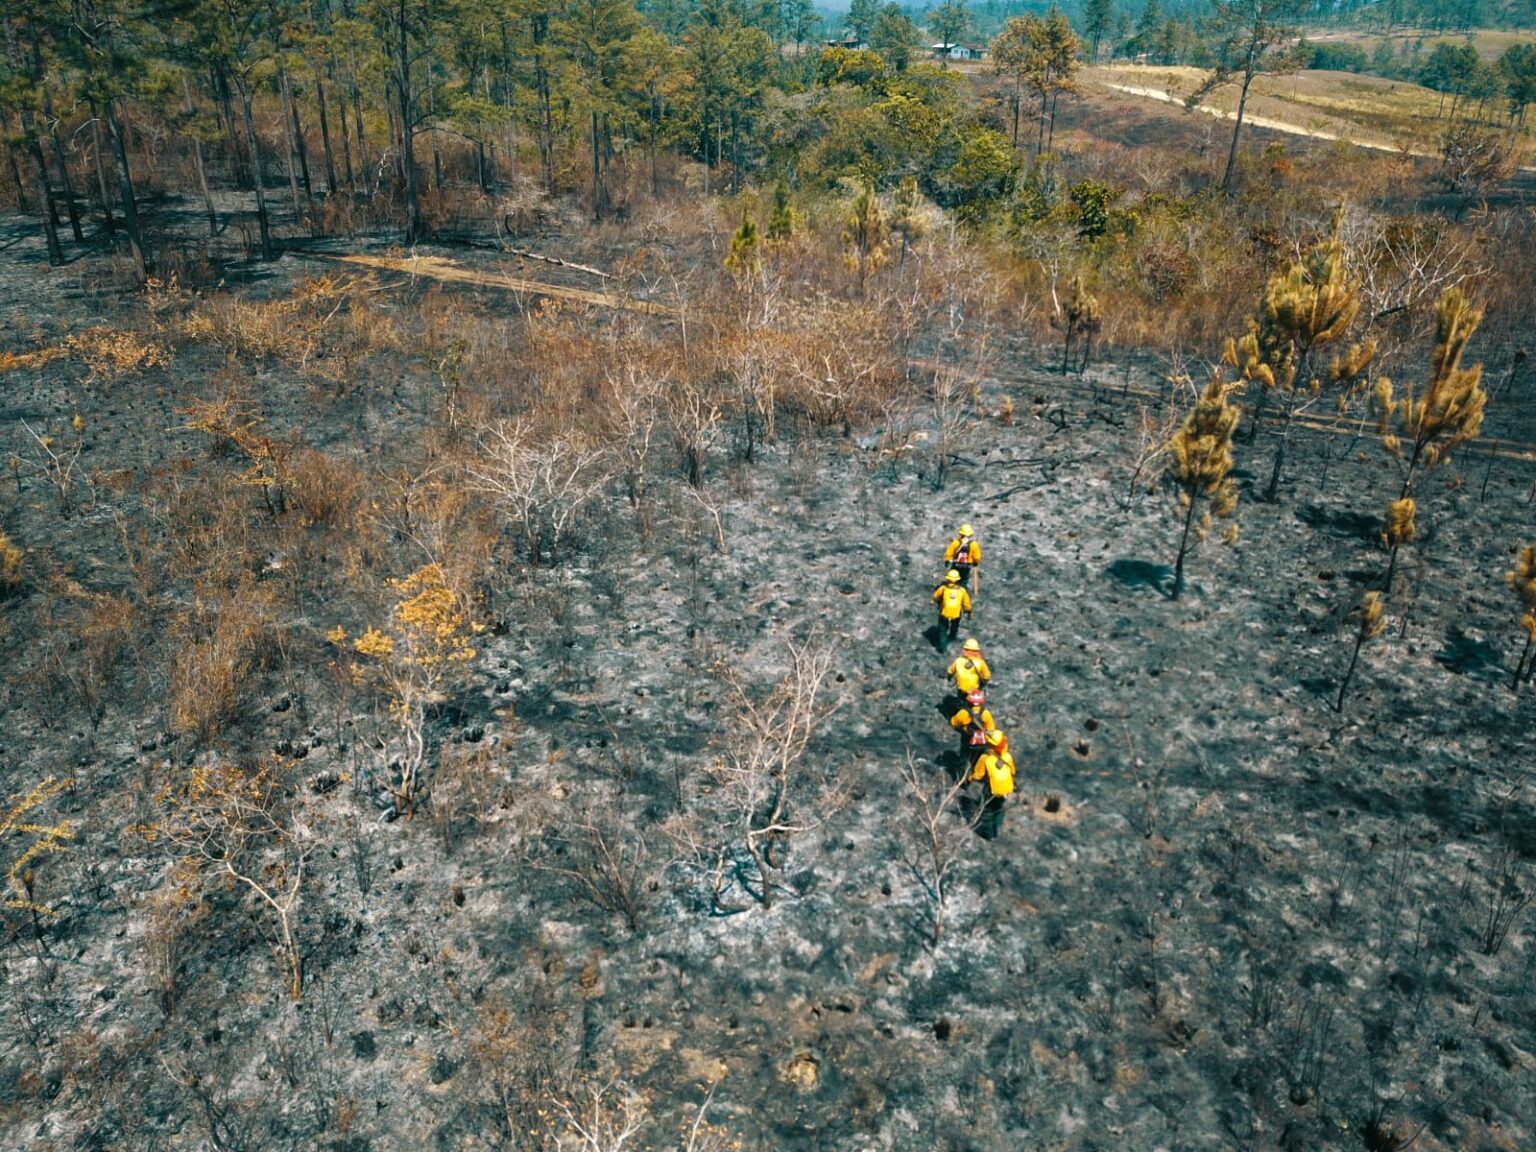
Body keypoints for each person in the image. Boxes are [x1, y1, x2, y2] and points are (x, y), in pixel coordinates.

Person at [971, 729, 1015, 839]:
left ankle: (989, 835)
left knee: (986, 810)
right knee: (999, 807)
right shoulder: (1008, 757)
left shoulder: (985, 758)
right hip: (1006, 788)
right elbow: (1013, 771)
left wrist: (969, 778)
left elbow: (978, 775)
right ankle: (997, 825)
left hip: (991, 789)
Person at [949, 689, 996, 768]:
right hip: (982, 743)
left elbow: (953, 723)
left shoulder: (963, 713)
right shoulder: (986, 713)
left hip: (968, 741)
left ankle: (964, 771)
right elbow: (991, 729)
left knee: (965, 758)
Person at [931, 569, 972, 653]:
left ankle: (943, 647)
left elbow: (935, 596)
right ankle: (952, 636)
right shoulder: (962, 591)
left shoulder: (943, 588)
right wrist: (968, 611)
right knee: (955, 625)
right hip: (956, 613)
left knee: (943, 629)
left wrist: (937, 601)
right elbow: (967, 604)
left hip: (944, 612)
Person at [944, 524, 982, 591]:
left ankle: (951, 590)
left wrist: (947, 560)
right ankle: (963, 592)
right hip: (966, 566)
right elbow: (976, 556)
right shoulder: (973, 544)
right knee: (964, 580)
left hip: (956, 564)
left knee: (953, 578)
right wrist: (976, 562)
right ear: (971, 535)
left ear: (960, 534)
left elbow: (949, 552)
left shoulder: (956, 542)